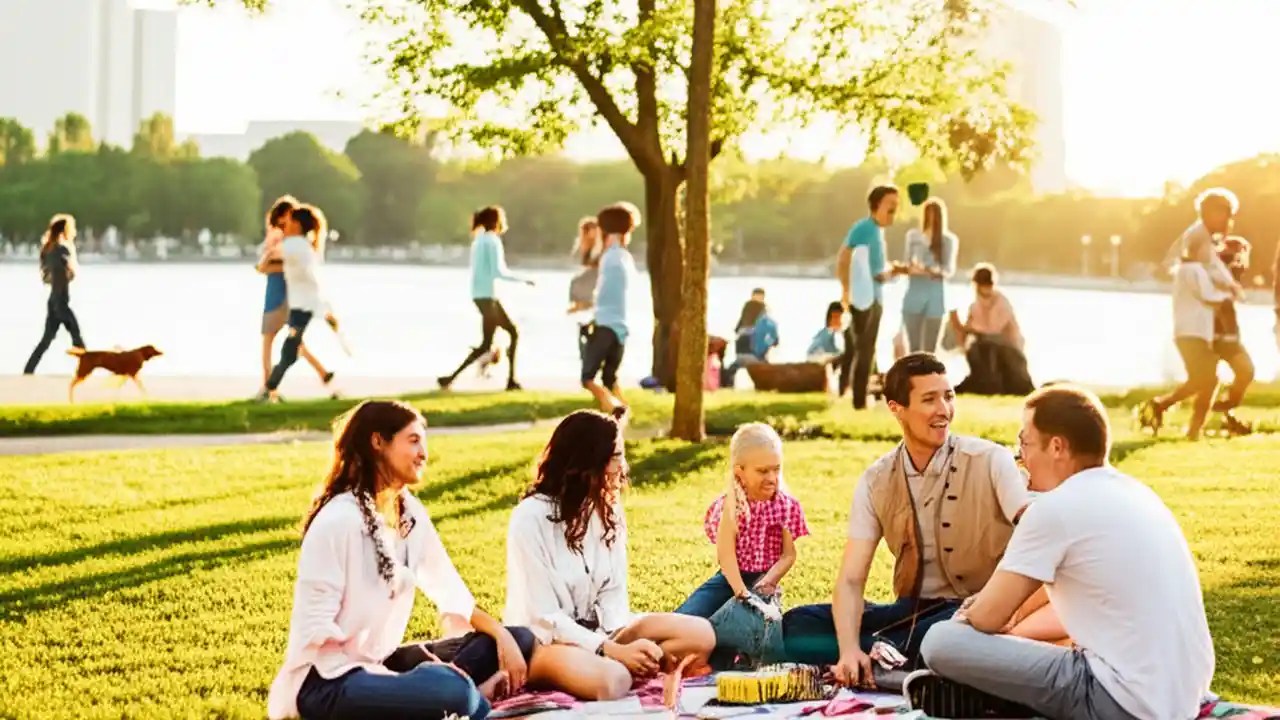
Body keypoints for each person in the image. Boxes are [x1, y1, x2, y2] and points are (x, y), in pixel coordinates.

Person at [909, 386, 1214, 720]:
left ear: (1056, 447)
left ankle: (986, 694)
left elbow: (987, 618)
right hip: (1184, 696)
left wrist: (970, 614)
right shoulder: (1138, 493)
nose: (1020, 457)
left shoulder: (1054, 509)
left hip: (1122, 702)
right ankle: (992, 695)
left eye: (1024, 443)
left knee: (940, 640)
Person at [266, 400, 541, 720]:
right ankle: (474, 701)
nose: (423, 452)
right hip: (327, 683)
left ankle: (451, 695)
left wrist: (502, 635)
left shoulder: (408, 512)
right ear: (378, 442)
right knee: (449, 691)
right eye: (413, 440)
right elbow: (315, 639)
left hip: (380, 663)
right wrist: (395, 679)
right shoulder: (338, 521)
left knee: (519, 639)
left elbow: (448, 589)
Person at [782, 353, 1029, 684]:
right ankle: (883, 659)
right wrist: (847, 649)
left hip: (974, 610)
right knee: (798, 625)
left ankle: (891, 656)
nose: (944, 410)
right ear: (896, 408)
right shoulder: (876, 480)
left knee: (936, 633)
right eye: (929, 399)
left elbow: (1033, 530)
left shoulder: (991, 460)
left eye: (948, 396)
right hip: (910, 613)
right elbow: (852, 581)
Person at [505, 409, 716, 698]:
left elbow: (614, 593)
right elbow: (545, 618)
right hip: (545, 643)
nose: (623, 466)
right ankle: (609, 669)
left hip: (603, 636)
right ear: (588, 462)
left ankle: (628, 666)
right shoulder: (530, 518)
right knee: (612, 680)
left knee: (702, 634)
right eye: (616, 456)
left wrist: (626, 644)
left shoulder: (607, 510)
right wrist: (613, 651)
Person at [675, 423, 809, 662]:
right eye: (762, 471)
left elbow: (788, 554)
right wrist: (741, 593)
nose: (771, 478)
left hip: (763, 584)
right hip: (731, 578)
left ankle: (720, 654)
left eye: (776, 470)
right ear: (740, 472)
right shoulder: (733, 506)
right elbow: (726, 556)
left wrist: (769, 581)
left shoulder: (785, 505)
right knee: (685, 620)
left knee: (757, 640)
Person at [1139, 230, 1237, 439]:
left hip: (1197, 332)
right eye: (1209, 248)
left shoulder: (1195, 269)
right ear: (1198, 248)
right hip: (1189, 332)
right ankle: (1166, 410)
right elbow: (1207, 296)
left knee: (1205, 379)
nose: (1213, 253)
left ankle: (1168, 411)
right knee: (1206, 378)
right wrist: (1229, 294)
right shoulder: (1190, 269)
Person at [439, 206, 533, 391]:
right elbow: (498, 272)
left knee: (487, 343)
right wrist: (524, 280)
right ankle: (511, 381)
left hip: (480, 295)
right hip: (488, 297)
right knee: (511, 333)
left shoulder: (479, 240)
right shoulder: (492, 241)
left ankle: (449, 378)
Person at [255, 196, 335, 396]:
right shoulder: (293, 241)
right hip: (291, 293)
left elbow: (264, 265)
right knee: (293, 341)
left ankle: (268, 386)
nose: (288, 222)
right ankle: (321, 372)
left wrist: (275, 264)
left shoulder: (286, 240)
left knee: (273, 341)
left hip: (281, 292)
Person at [836, 185, 904, 409]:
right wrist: (846, 291)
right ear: (877, 205)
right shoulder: (864, 228)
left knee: (867, 349)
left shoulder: (877, 231)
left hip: (876, 298)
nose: (895, 209)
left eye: (896, 205)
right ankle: (857, 402)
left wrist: (891, 272)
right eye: (890, 205)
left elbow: (875, 271)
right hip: (863, 300)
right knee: (863, 349)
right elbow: (843, 258)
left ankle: (859, 396)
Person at [581, 203, 640, 412]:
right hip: (621, 328)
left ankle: (615, 409)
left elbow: (604, 293)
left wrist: (593, 316)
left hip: (605, 324)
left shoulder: (610, 256)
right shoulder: (624, 257)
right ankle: (625, 412)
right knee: (609, 378)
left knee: (587, 378)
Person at [953, 264, 1034, 396]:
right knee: (978, 349)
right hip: (987, 345)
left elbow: (993, 330)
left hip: (1007, 347)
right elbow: (973, 327)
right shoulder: (975, 303)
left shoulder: (1001, 302)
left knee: (987, 347)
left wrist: (967, 327)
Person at [23, 214, 86, 374]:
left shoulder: (48, 249)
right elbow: (63, 275)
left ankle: (28, 370)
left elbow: (48, 276)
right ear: (64, 230)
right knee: (76, 335)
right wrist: (68, 275)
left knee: (47, 339)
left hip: (53, 300)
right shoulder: (61, 250)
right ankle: (87, 369)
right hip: (60, 301)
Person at [1208, 235, 1254, 435]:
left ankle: (1225, 411)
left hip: (1229, 336)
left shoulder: (1235, 273)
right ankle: (1159, 406)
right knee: (1205, 383)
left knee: (1246, 371)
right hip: (1212, 335)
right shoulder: (1217, 270)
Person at [902, 199, 958, 354]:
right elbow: (907, 263)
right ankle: (911, 378)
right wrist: (912, 269)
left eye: (935, 214)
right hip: (914, 296)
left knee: (930, 350)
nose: (931, 218)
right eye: (928, 214)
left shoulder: (948, 240)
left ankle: (929, 377)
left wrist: (930, 271)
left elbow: (948, 270)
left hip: (935, 299)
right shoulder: (913, 236)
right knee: (913, 349)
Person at [723, 295, 780, 389]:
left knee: (733, 368)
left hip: (739, 358)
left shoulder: (742, 326)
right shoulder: (764, 325)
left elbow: (736, 332)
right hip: (756, 360)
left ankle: (727, 385)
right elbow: (775, 342)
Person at [568, 216, 603, 360]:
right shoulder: (584, 248)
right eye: (589, 230)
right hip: (585, 288)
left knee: (591, 326)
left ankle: (591, 358)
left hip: (593, 287)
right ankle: (586, 358)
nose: (593, 232)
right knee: (583, 327)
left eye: (594, 229)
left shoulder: (599, 249)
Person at [807, 301, 846, 365]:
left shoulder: (845, 335)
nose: (837, 320)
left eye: (839, 317)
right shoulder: (823, 335)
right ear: (829, 319)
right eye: (835, 317)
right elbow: (810, 355)